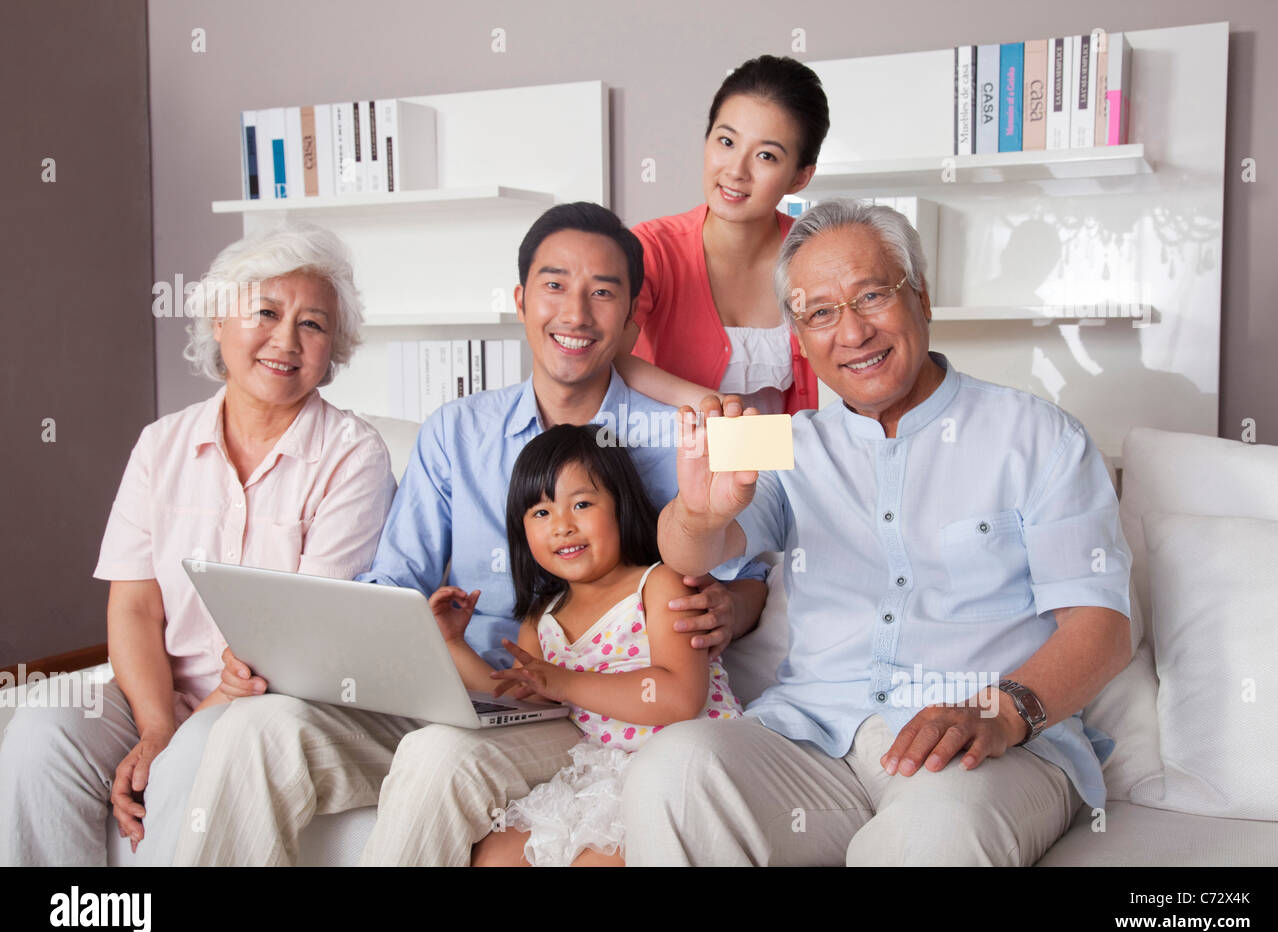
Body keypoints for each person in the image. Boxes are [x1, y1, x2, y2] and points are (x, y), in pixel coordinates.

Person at [172, 202, 767, 866]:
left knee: (441, 754)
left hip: (562, 714)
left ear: (631, 318)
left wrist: (733, 605)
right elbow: (392, 584)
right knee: (260, 727)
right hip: (449, 687)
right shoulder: (457, 431)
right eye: (554, 285)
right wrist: (336, 643)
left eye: (603, 292)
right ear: (520, 300)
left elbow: (745, 575)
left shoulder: (673, 437)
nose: (574, 313)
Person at [626, 198, 1134, 866]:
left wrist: (1001, 711)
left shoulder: (1039, 436)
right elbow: (692, 552)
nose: (852, 332)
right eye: (820, 313)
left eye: (871, 296)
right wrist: (699, 514)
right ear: (800, 337)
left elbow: (1102, 626)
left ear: (921, 297)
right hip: (813, 739)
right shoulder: (788, 442)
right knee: (671, 770)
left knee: (932, 834)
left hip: (981, 746)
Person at [0, 222, 394, 865]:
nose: (285, 340)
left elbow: (298, 634)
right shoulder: (162, 444)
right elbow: (134, 606)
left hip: (268, 700)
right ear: (219, 320)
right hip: (155, 689)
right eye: (265, 312)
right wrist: (156, 724)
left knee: (196, 759)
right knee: (44, 728)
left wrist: (182, 732)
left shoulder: (354, 456)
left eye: (313, 324)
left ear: (334, 348)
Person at [430, 424, 743, 866]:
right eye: (541, 512)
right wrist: (452, 643)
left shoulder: (660, 584)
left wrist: (566, 682)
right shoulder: (542, 619)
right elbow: (521, 693)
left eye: (581, 504)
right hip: (597, 772)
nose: (562, 526)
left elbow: (678, 697)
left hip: (676, 769)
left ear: (621, 506)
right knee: (494, 855)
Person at [614, 54, 828, 414]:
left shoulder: (815, 254)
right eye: (726, 142)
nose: (736, 171)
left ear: (799, 177)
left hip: (785, 450)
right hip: (666, 447)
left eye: (766, 156)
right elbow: (611, 357)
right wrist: (714, 406)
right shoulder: (652, 249)